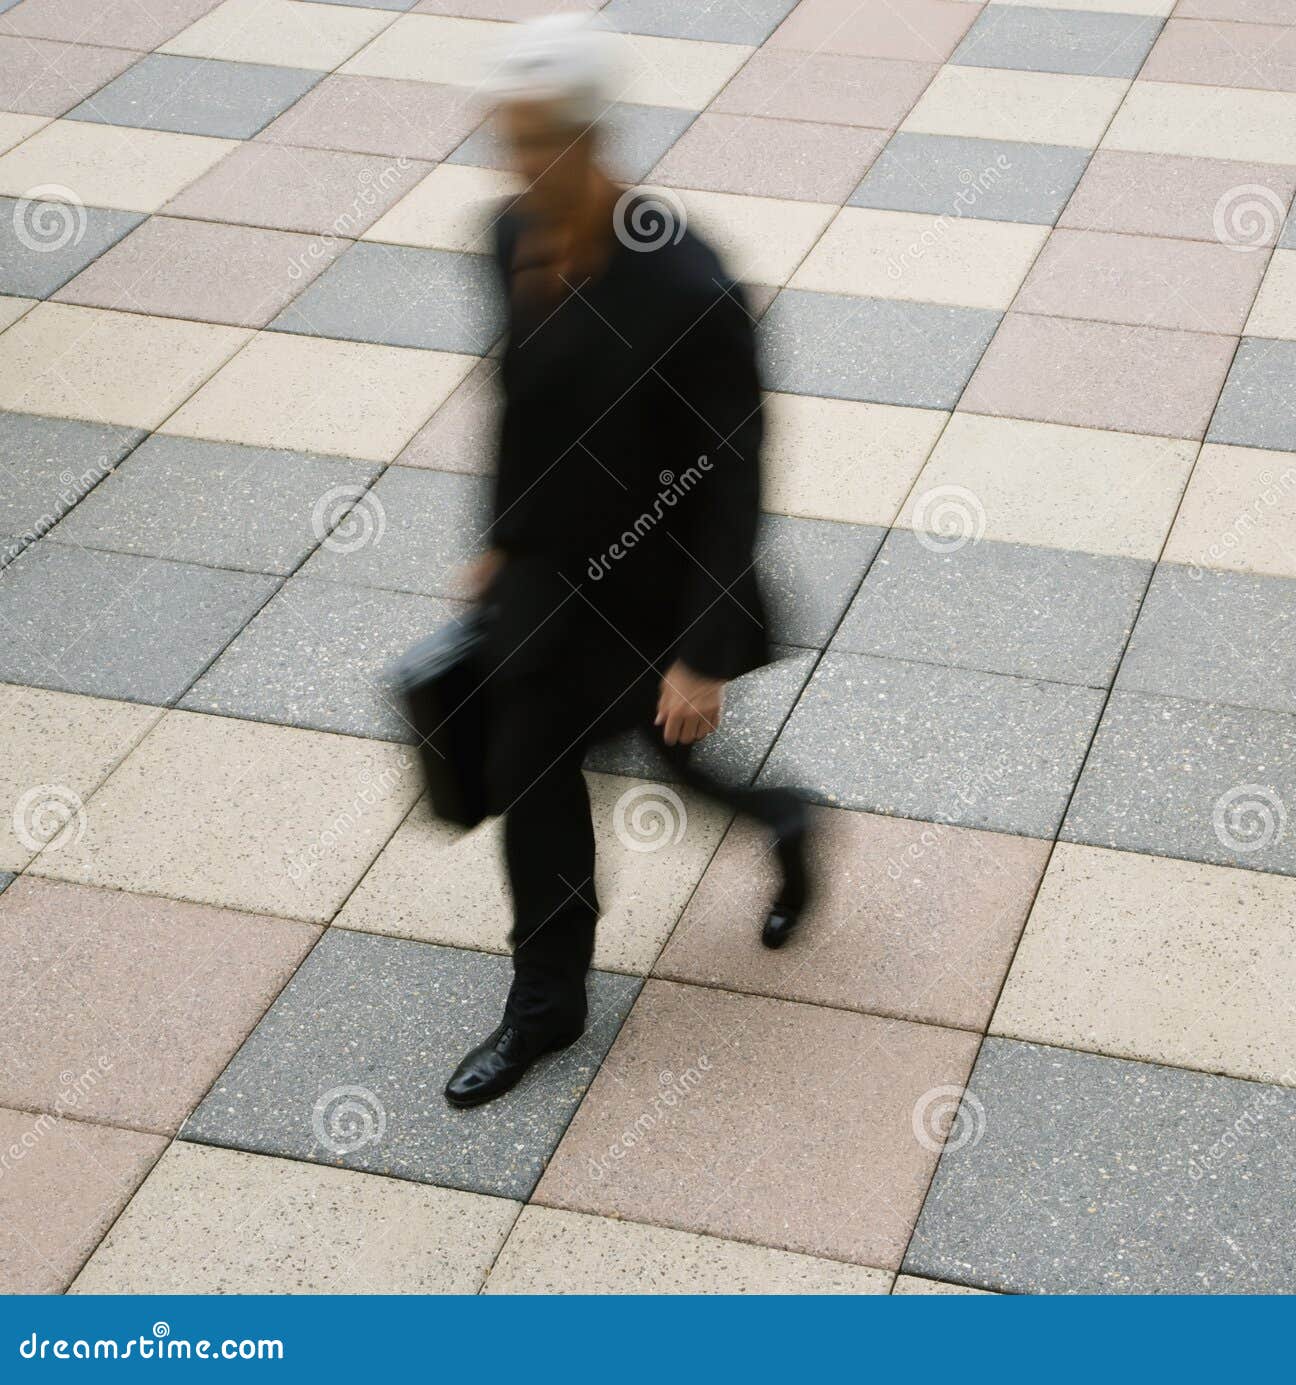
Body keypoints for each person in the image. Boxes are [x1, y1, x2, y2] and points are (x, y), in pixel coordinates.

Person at [445, 16, 809, 1109]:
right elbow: (517, 399)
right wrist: (501, 537)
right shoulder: (510, 235)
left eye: (526, 144)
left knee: (685, 764)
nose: (507, 168)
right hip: (551, 582)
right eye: (501, 141)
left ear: (588, 143)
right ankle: (544, 1005)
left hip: (656, 595)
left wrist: (700, 654)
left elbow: (732, 477)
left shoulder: (687, 285)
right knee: (531, 768)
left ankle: (790, 824)